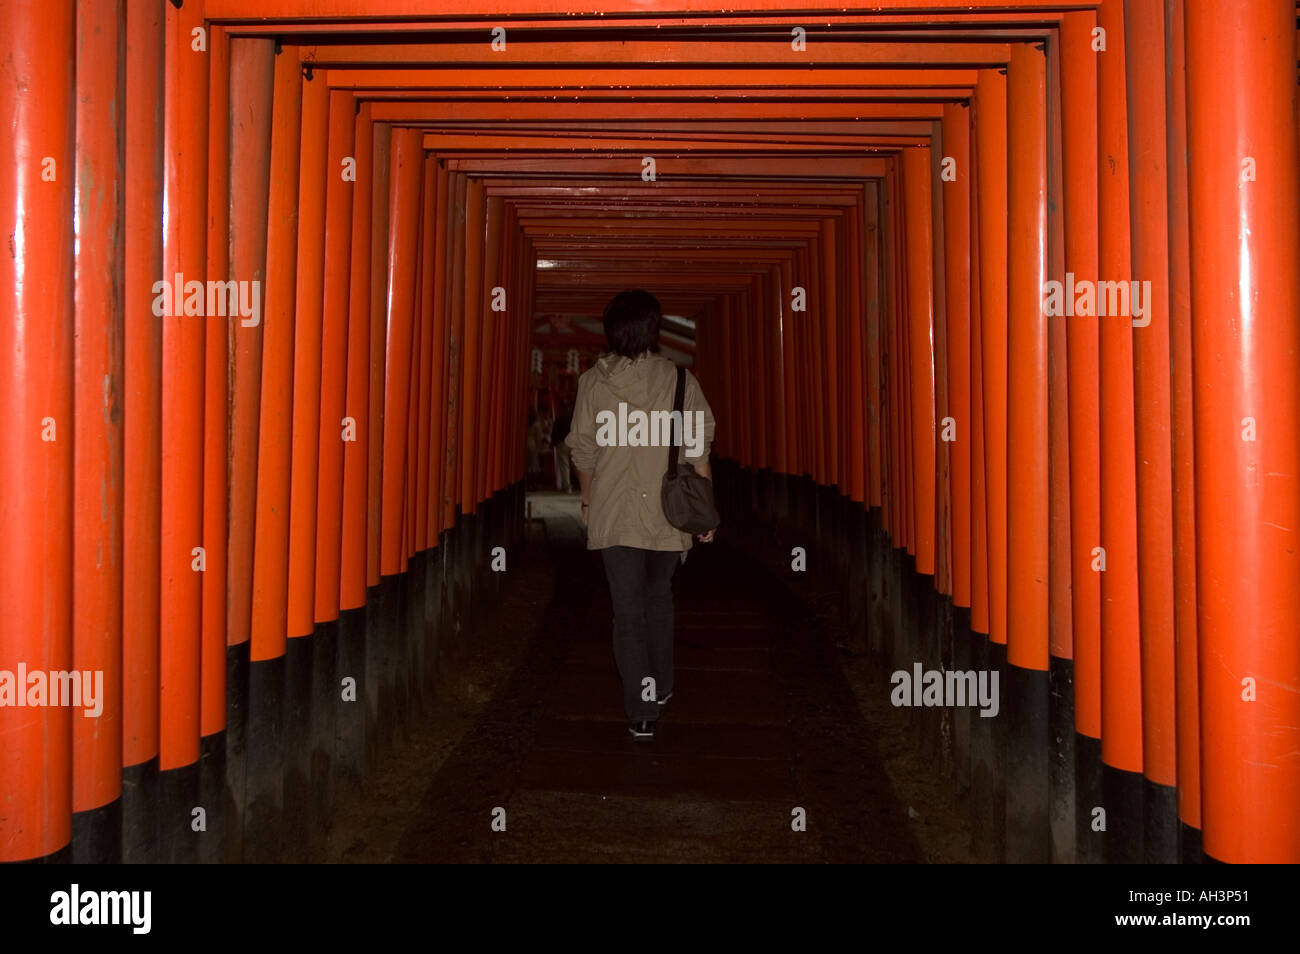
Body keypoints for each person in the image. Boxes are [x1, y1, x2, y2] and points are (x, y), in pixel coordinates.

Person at [566, 290, 716, 742]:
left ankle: (642, 711)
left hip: (613, 516)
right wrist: (706, 513)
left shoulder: (593, 384)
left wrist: (588, 504)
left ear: (613, 332)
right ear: (654, 331)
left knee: (627, 612)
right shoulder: (680, 383)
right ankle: (662, 685)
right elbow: (698, 452)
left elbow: (584, 452)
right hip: (667, 515)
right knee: (659, 600)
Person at [551, 400, 574, 493]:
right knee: (577, 466)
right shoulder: (574, 417)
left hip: (562, 443)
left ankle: (568, 487)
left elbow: (555, 431)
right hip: (573, 443)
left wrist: (554, 443)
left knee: (564, 466)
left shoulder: (559, 418)